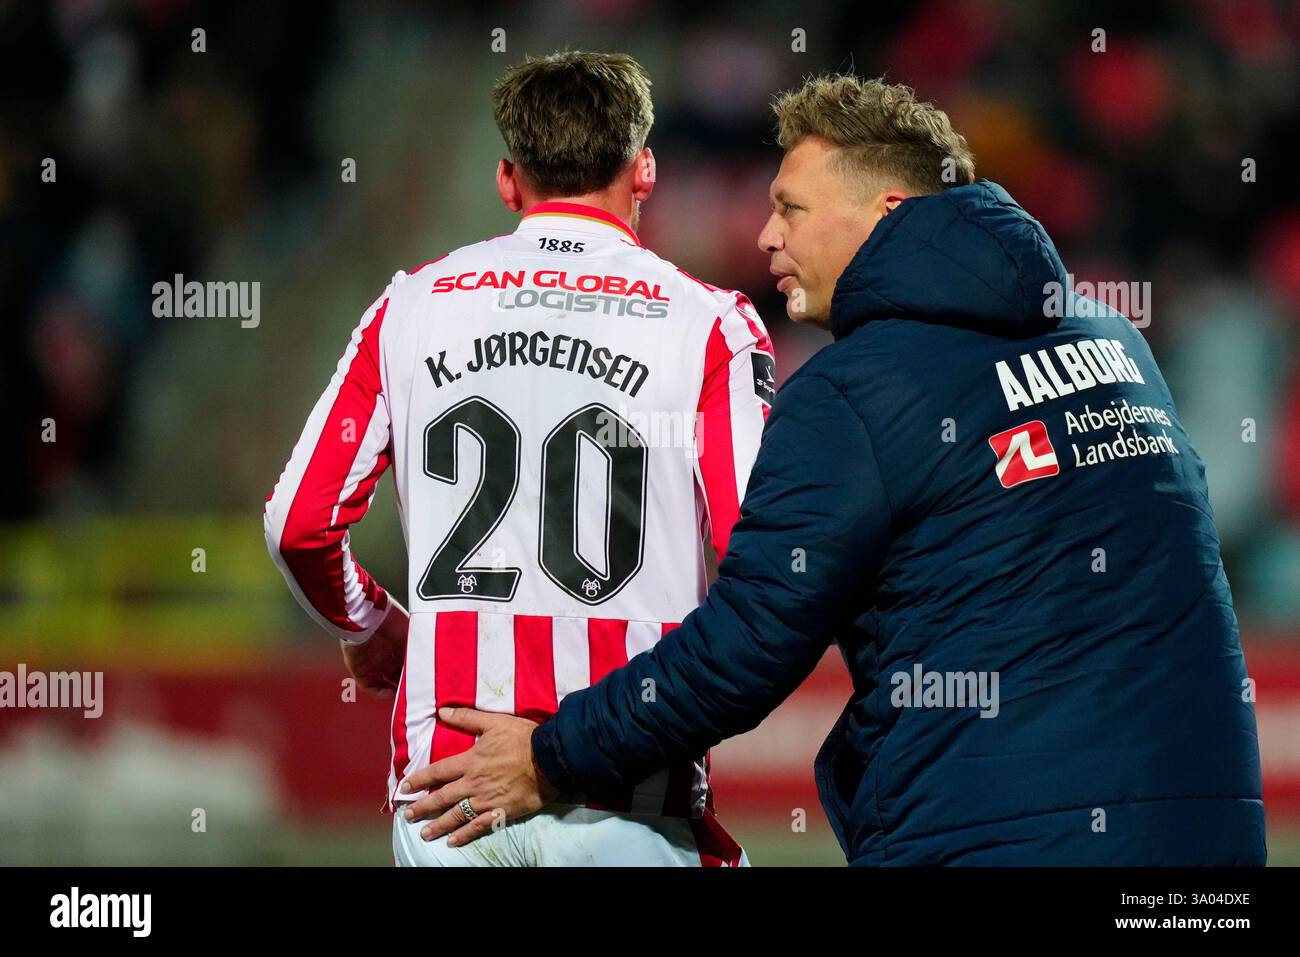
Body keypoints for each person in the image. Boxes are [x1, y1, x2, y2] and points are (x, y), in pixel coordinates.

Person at [400, 74, 1267, 867]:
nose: (768, 233)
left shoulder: (855, 391)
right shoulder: (1114, 342)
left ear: (885, 209)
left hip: (998, 837)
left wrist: (552, 753)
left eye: (792, 207)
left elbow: (745, 647)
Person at [263, 51, 774, 866]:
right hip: (628, 792)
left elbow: (296, 524)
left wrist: (374, 623)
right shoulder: (709, 323)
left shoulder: (411, 306)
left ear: (508, 180)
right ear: (644, 171)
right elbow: (763, 553)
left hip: (448, 802)